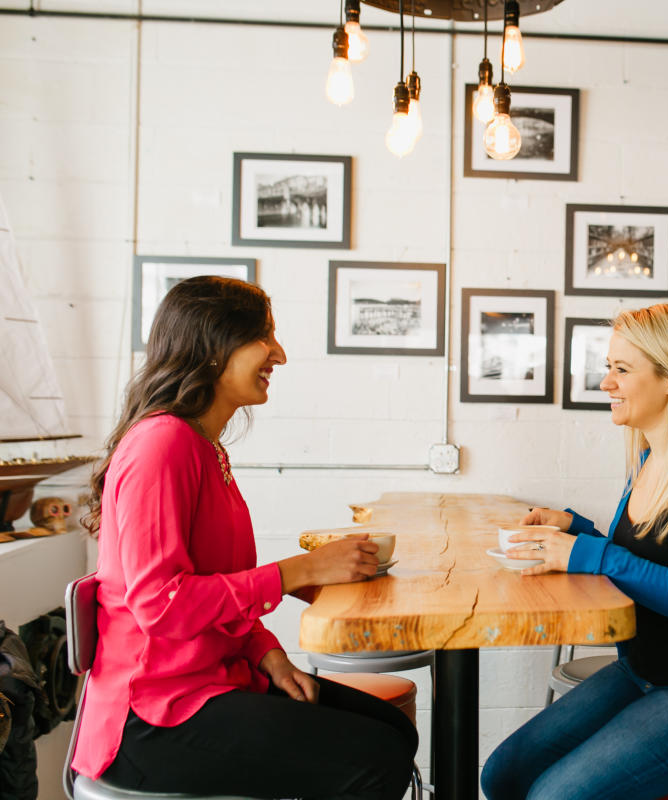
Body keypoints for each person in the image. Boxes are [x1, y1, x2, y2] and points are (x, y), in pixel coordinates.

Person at [72, 276, 417, 800]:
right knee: (376, 759)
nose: (279, 353)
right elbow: (161, 605)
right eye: (265, 336)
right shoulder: (162, 447)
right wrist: (298, 572)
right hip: (150, 717)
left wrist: (264, 651)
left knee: (397, 733)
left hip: (207, 682)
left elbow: (216, 585)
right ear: (214, 346)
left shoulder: (205, 447)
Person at [480, 302, 668, 800]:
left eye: (622, 370)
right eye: (609, 368)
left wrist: (585, 552)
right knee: (502, 775)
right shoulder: (648, 457)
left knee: (552, 797)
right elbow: (645, 559)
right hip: (643, 674)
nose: (606, 383)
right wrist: (573, 529)